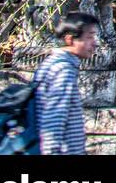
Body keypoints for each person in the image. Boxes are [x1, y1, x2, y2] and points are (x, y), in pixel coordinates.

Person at [34, 11, 97, 155]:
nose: (94, 43)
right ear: (70, 39)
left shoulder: (50, 63)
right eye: (89, 37)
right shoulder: (63, 70)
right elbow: (53, 121)